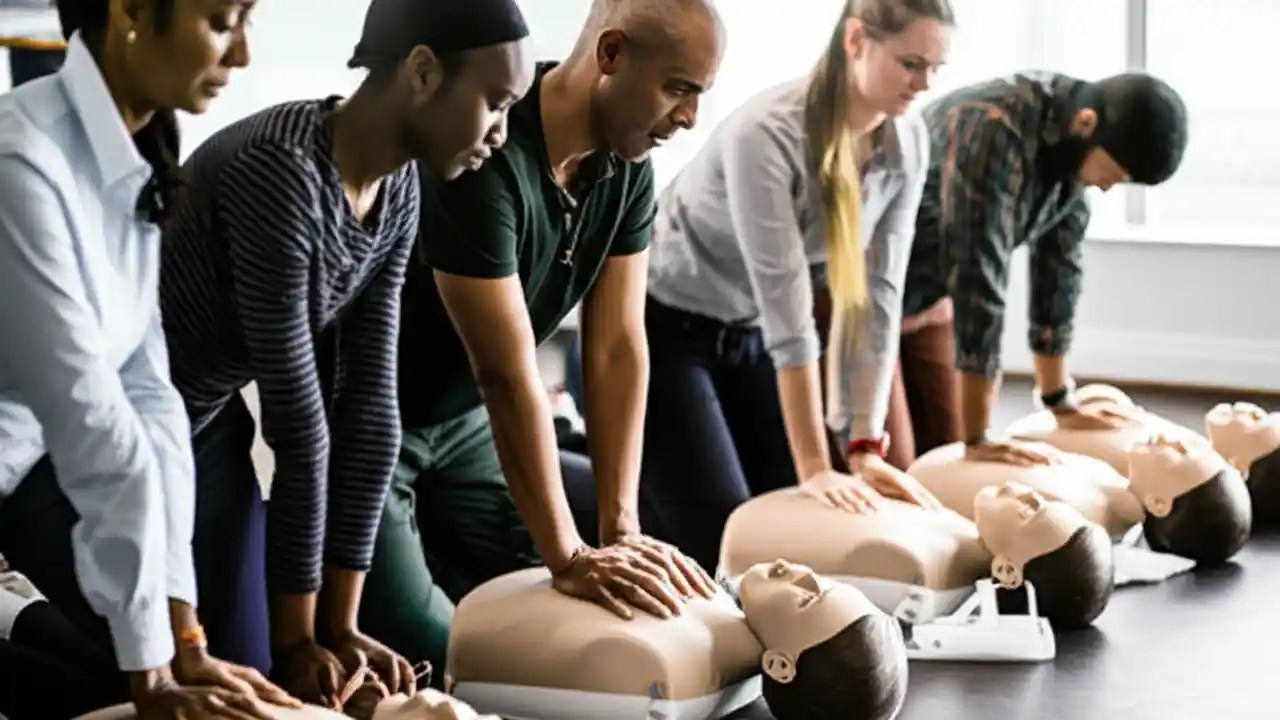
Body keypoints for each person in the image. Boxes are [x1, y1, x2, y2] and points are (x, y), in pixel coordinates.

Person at [157, 0, 535, 707]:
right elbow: (299, 427)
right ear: (422, 72)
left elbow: (368, 412)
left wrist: (339, 628)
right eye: (495, 102)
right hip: (112, 437)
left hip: (203, 430)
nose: (500, 133)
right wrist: (300, 643)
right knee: (198, 674)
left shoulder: (397, 192)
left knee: (249, 672)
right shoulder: (281, 172)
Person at [359, 0, 726, 677]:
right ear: (611, 55)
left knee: (600, 608)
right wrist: (570, 554)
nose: (689, 118)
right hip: (377, 426)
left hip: (464, 424)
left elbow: (616, 345)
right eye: (679, 89)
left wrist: (619, 532)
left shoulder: (626, 168)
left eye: (700, 96)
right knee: (441, 647)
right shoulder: (484, 147)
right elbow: (506, 374)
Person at [0, 1, 297, 718]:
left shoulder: (129, 160)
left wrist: (183, 635)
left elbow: (150, 399)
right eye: (223, 21)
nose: (243, 56)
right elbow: (91, 419)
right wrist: (152, 669)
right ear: (129, 10)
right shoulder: (20, 159)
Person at [639, 0, 954, 572]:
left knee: (798, 527)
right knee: (727, 539)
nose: (924, 84)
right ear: (856, 40)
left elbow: (878, 299)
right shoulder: (767, 133)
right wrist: (814, 464)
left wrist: (862, 444)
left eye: (936, 68)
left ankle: (654, 467)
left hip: (747, 334)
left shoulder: (908, 141)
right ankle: (592, 453)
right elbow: (790, 313)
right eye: (911, 63)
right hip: (662, 329)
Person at [897, 70, 1189, 468]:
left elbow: (1060, 273)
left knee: (946, 455)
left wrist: (1059, 400)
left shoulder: (1073, 158)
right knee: (896, 466)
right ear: (1087, 123)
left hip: (928, 300)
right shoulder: (993, 128)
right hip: (861, 300)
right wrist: (980, 436)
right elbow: (978, 277)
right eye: (1114, 176)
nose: (1106, 187)